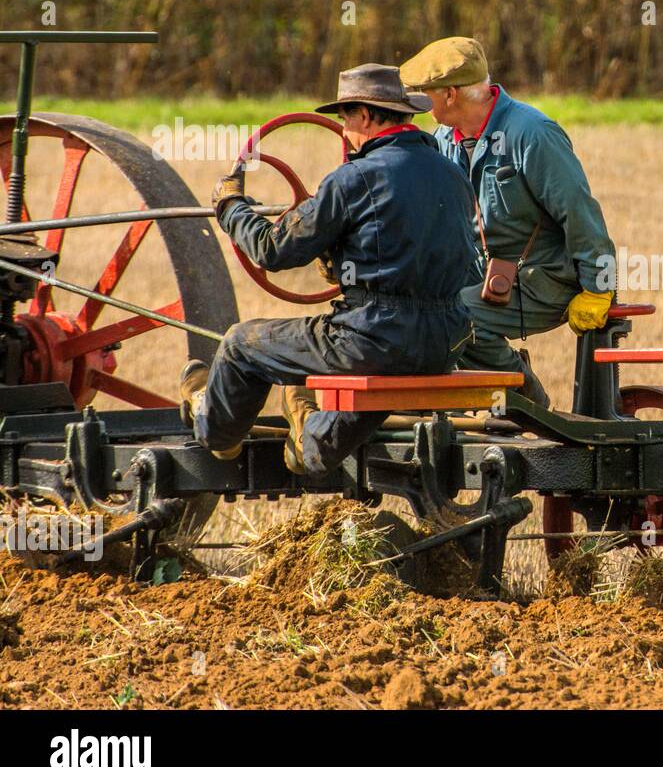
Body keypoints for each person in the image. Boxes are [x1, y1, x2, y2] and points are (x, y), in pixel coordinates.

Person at [180, 63, 477, 476]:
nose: (344, 131)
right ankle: (308, 439)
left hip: (374, 342)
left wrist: (232, 208)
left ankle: (217, 435)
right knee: (337, 424)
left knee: (239, 344)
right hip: (444, 345)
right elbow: (441, 258)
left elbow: (273, 250)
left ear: (367, 116)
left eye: (346, 119)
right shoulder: (452, 174)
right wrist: (345, 263)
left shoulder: (354, 178)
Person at [399, 37, 616, 408]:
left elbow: (578, 211)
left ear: (450, 94)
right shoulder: (444, 140)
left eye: (423, 92)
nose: (417, 101)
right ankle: (470, 402)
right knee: (411, 314)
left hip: (544, 280)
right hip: (485, 276)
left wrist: (599, 286)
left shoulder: (531, 133)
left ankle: (523, 396)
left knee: (451, 318)